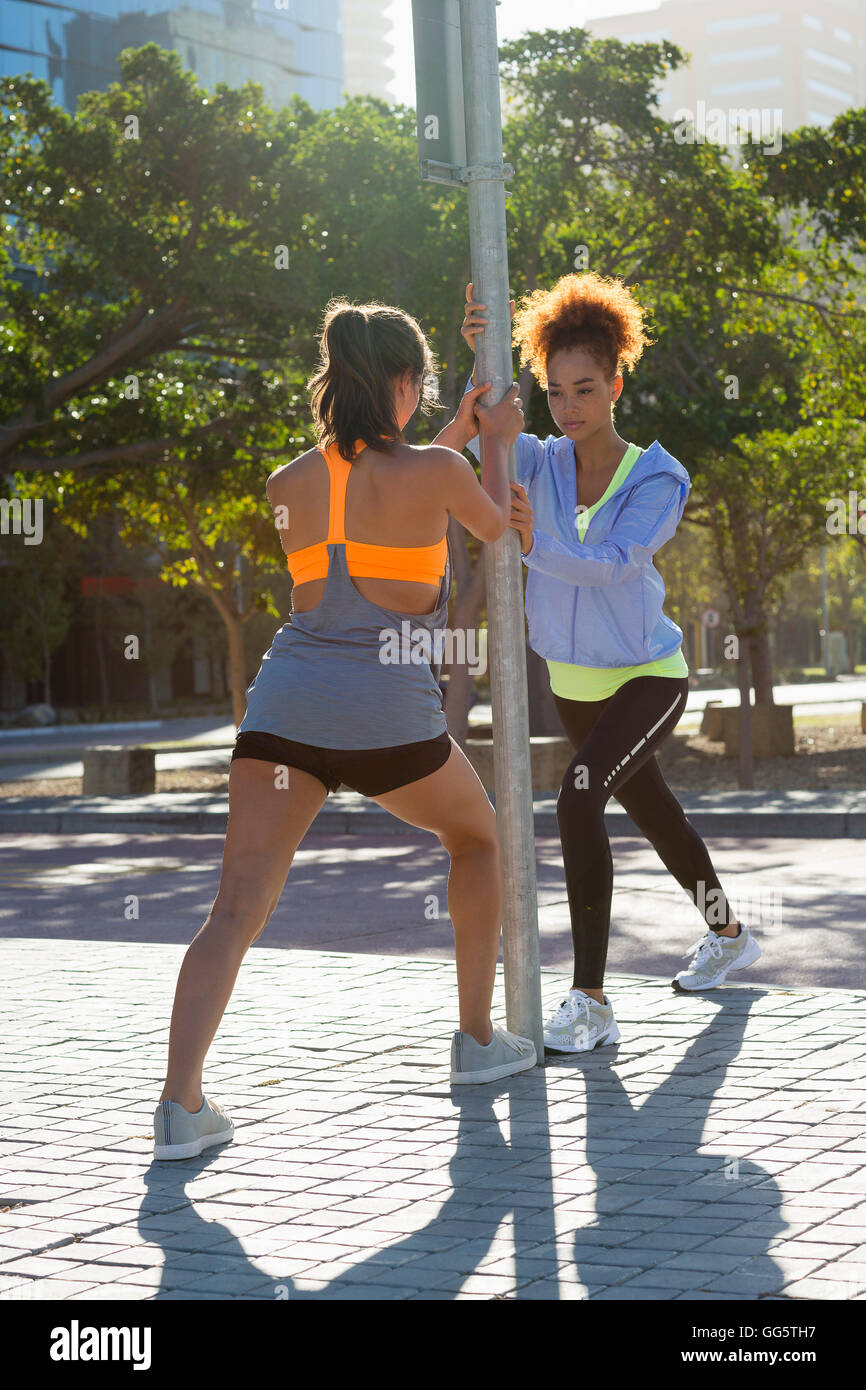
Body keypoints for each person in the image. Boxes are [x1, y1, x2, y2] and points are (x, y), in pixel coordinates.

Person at [153, 298, 536, 1160]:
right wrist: (498, 438)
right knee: (478, 839)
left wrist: (461, 426)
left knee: (234, 910)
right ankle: (477, 1041)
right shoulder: (439, 470)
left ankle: (179, 1108)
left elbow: (374, 490)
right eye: (420, 386)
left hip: (282, 715)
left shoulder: (288, 483)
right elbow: (493, 525)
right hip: (387, 721)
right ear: (402, 382)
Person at [454, 274, 761, 1054]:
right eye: (555, 392)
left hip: (648, 675)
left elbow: (618, 565)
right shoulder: (538, 458)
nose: (568, 407)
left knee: (579, 798)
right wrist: (479, 355)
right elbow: (484, 427)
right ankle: (728, 936)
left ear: (617, 383)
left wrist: (535, 545)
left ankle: (590, 1000)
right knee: (656, 813)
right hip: (573, 685)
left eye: (584, 389)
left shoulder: (659, 476)